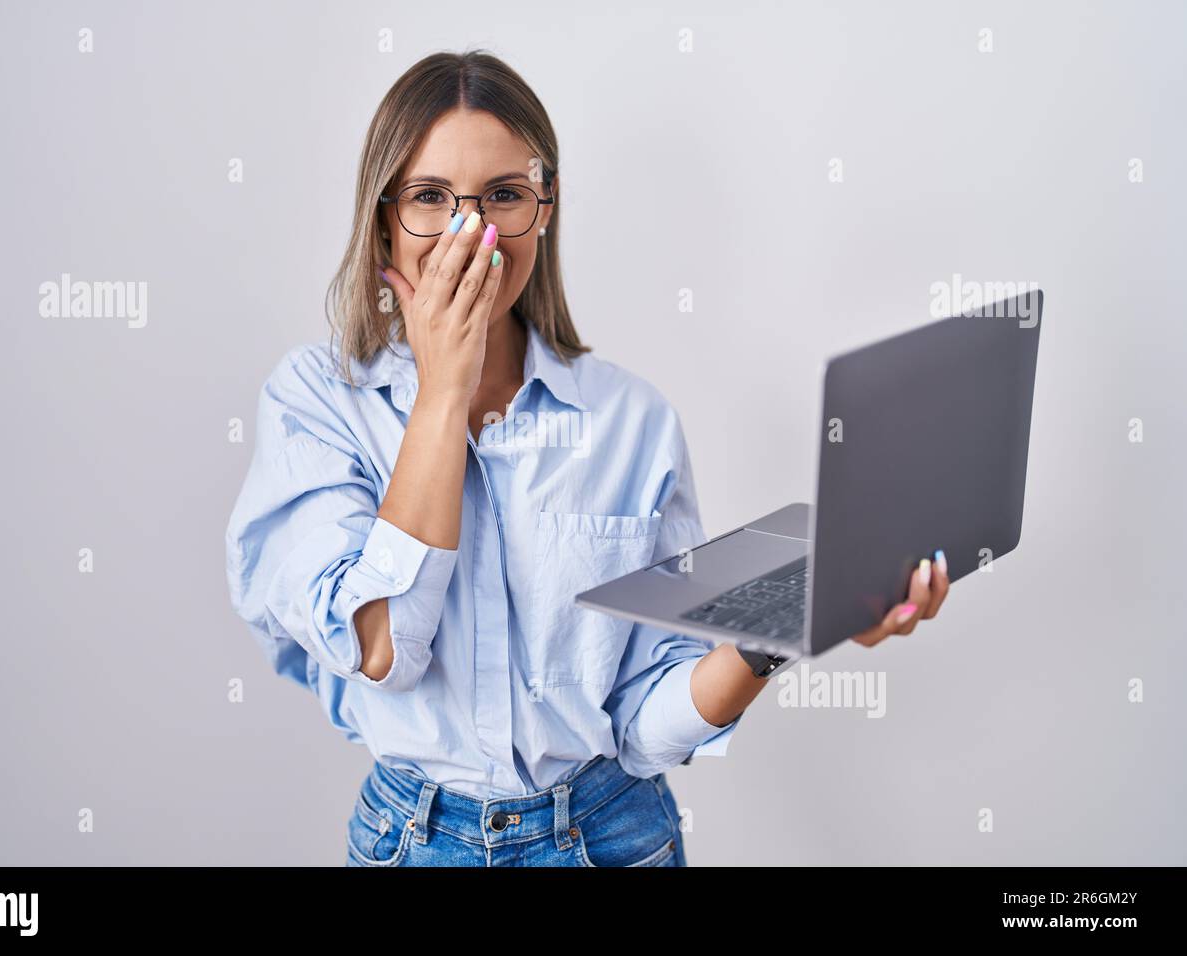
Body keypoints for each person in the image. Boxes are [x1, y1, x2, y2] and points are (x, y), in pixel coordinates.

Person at [225, 51, 950, 867]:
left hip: (611, 836)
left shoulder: (629, 420)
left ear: (544, 209)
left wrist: (777, 628)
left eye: (504, 195)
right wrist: (442, 390)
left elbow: (645, 725)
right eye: (432, 198)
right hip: (416, 843)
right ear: (384, 217)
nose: (473, 232)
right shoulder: (316, 401)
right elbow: (383, 649)